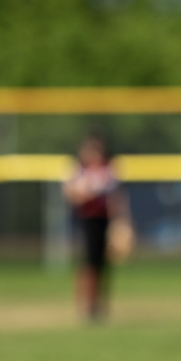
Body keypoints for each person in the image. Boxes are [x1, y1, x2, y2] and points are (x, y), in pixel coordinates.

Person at [62, 133, 131, 322]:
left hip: (105, 219)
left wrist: (122, 222)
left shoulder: (109, 168)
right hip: (86, 219)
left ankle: (99, 305)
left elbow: (117, 197)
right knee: (89, 262)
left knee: (103, 263)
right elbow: (70, 194)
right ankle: (86, 305)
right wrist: (87, 194)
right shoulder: (78, 169)